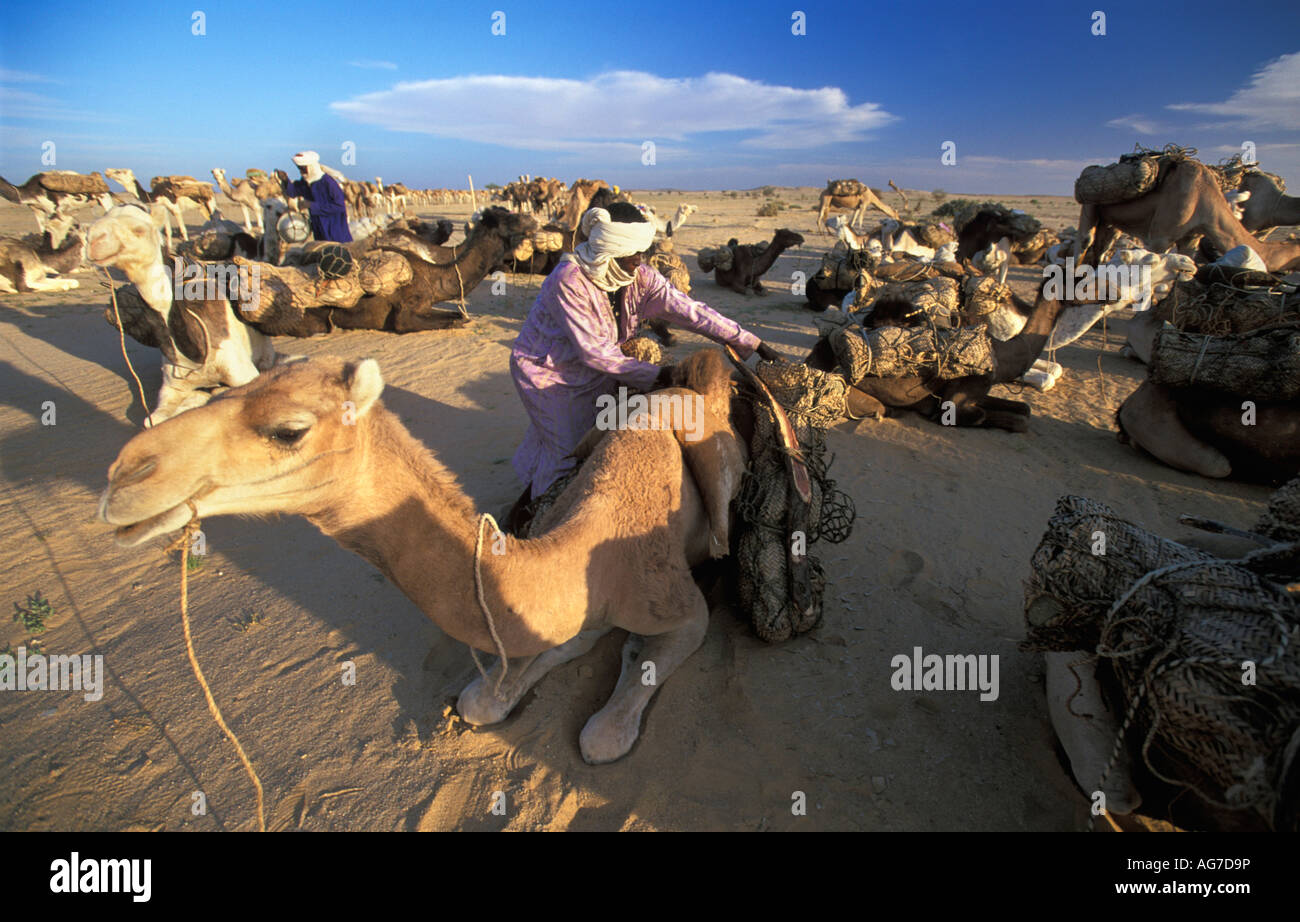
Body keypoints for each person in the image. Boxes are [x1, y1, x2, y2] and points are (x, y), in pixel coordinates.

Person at [507, 202, 780, 530]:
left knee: (590, 434)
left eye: (643, 250)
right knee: (566, 450)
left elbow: (687, 309)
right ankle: (543, 525)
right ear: (610, 250)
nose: (640, 259)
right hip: (548, 373)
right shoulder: (568, 281)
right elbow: (595, 352)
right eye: (633, 252)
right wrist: (661, 375)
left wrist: (748, 340)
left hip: (597, 371)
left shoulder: (638, 276)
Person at [275, 151, 352, 243]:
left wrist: (312, 205)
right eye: (299, 168)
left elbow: (339, 207)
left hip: (334, 227)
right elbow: (292, 192)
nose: (300, 171)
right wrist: (285, 180)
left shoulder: (328, 183)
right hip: (318, 226)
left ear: (310, 167)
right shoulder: (305, 182)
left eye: (303, 168)